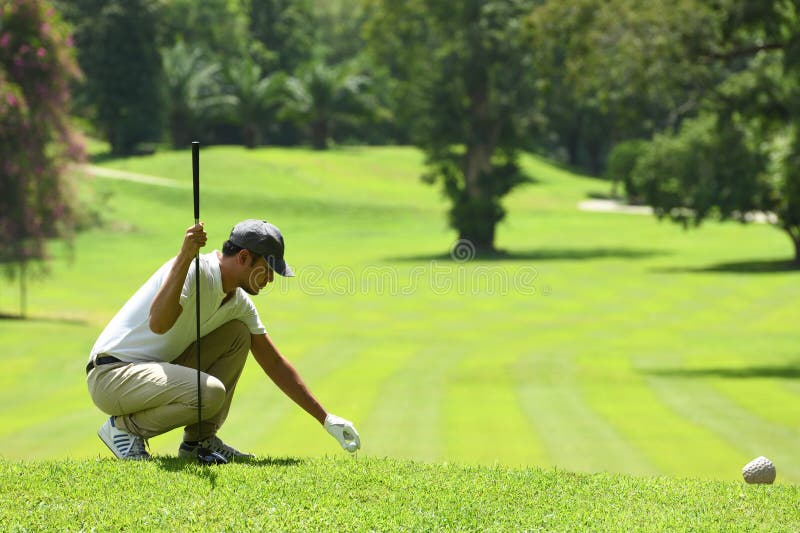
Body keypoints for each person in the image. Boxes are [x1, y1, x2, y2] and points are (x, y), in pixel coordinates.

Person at [86, 219, 360, 461]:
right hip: (112, 375)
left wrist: (325, 418)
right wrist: (184, 256)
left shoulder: (238, 304)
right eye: (267, 269)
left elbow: (275, 364)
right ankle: (123, 429)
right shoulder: (195, 270)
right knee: (210, 392)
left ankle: (198, 442)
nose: (271, 280)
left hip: (151, 374)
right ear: (243, 257)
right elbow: (158, 323)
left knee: (238, 333)